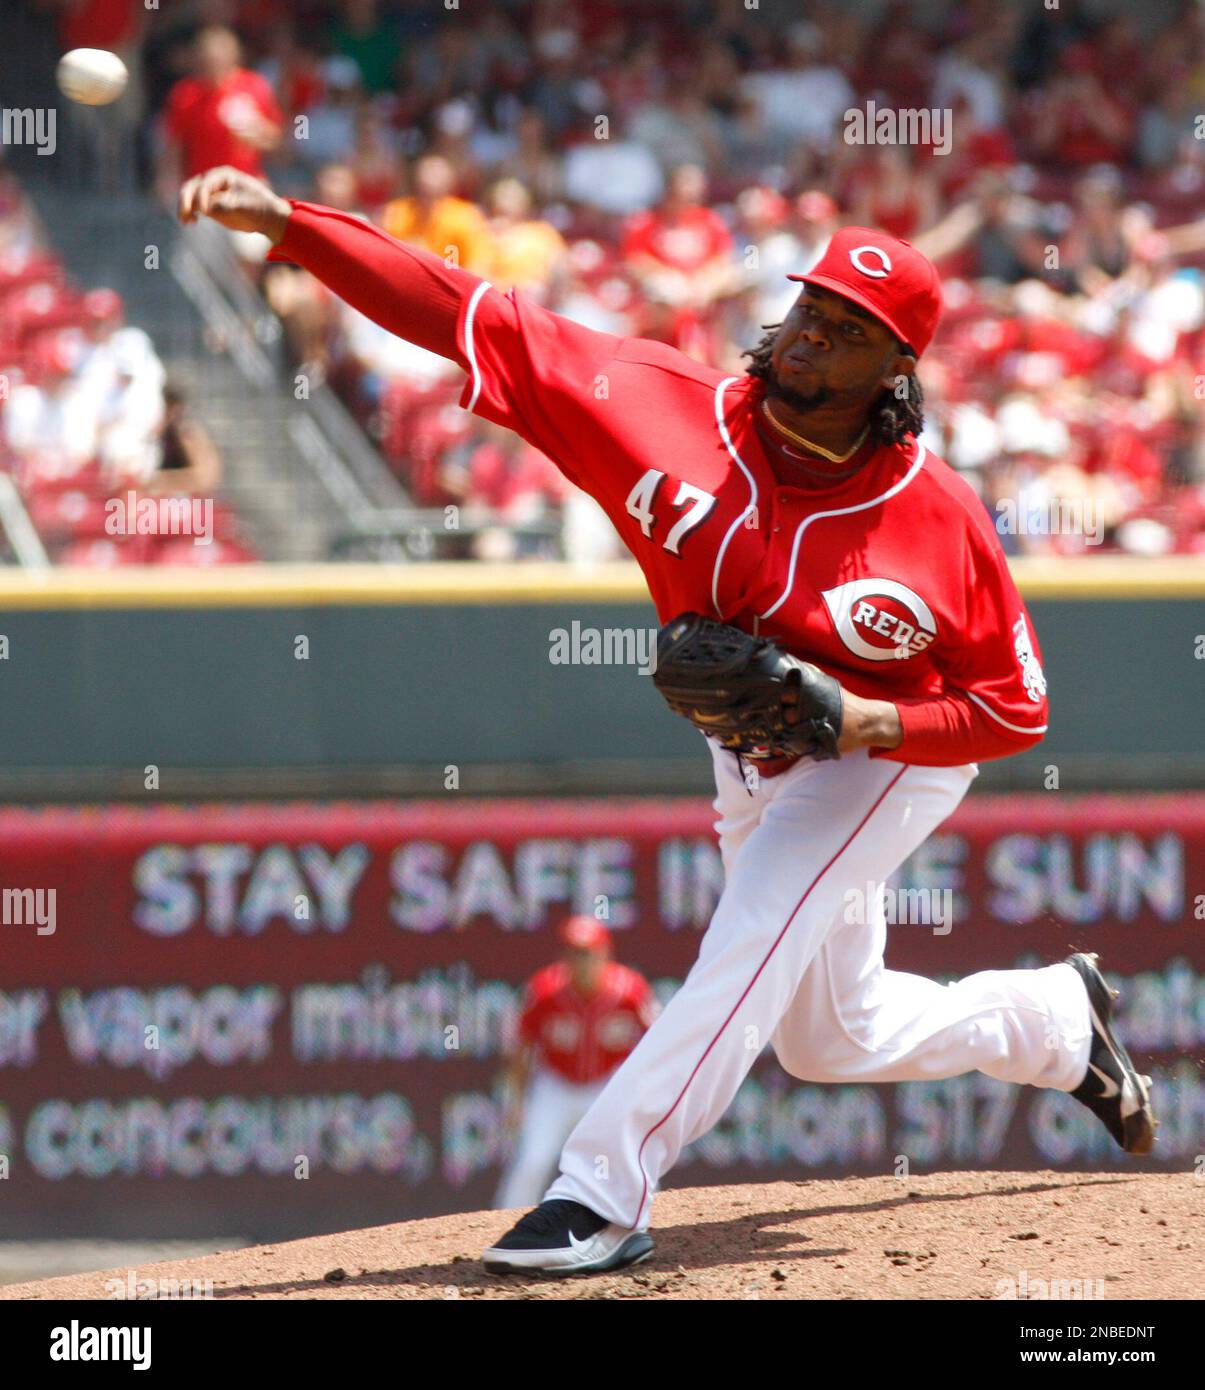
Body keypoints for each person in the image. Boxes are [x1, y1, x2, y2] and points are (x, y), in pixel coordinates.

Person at [178, 167, 1158, 1279]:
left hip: (887, 754)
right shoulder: (646, 400)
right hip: (747, 751)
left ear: (896, 368)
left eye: (847, 332)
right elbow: (458, 309)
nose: (807, 340)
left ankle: (598, 1192)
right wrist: (291, 225)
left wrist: (866, 721)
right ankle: (1053, 1020)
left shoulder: (934, 520)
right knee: (833, 1036)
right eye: (809, 311)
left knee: (744, 940)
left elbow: (1010, 710)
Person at [495, 916, 658, 1211]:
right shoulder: (544, 991)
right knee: (534, 1159)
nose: (580, 960)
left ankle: (639, 1218)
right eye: (573, 952)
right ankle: (507, 1225)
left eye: (587, 952)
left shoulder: (630, 991)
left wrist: (647, 1095)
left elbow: (658, 1044)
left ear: (604, 953)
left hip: (605, 1085)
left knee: (626, 1158)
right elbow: (521, 1048)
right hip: (556, 1086)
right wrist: (514, 1100)